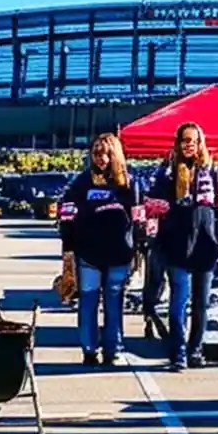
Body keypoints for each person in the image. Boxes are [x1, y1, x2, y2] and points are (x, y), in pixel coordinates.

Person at [144, 123, 218, 372]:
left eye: (194, 139)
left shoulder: (212, 170)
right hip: (176, 243)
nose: (189, 144)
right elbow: (152, 202)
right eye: (185, 139)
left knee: (201, 303)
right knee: (178, 302)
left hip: (206, 243)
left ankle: (196, 349)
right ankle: (179, 352)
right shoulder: (167, 171)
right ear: (178, 142)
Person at [59, 133, 142, 367]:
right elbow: (66, 215)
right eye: (96, 153)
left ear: (116, 155)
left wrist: (139, 250)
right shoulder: (81, 183)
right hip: (88, 254)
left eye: (106, 153)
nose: (101, 158)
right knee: (88, 301)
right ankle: (89, 349)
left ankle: (113, 349)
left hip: (119, 253)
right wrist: (68, 249)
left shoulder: (129, 183)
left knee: (114, 301)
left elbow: (139, 219)